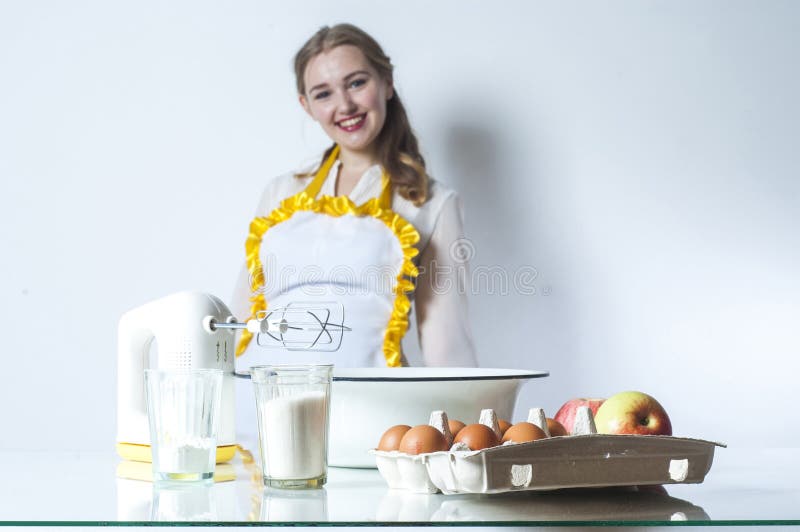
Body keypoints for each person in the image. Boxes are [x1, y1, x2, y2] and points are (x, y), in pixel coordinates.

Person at [231, 23, 477, 368]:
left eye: (357, 83)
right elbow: (242, 317)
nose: (344, 105)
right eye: (323, 93)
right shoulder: (281, 193)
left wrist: (462, 419)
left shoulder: (433, 204)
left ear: (387, 83)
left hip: (375, 406)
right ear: (306, 106)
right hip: (265, 406)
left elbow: (446, 343)